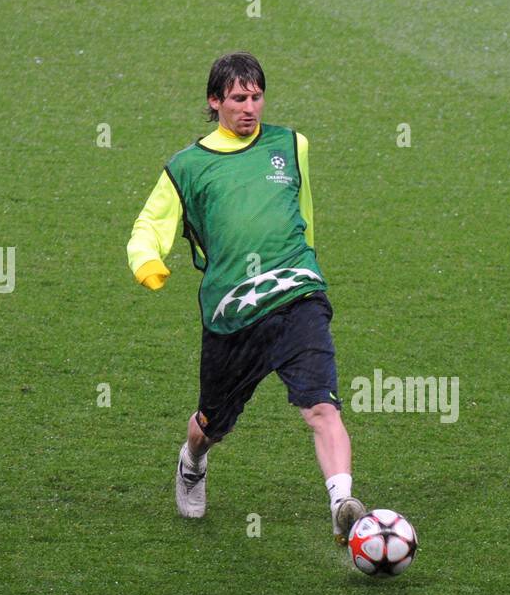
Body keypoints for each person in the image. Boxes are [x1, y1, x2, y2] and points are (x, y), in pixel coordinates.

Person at [125, 52, 365, 541]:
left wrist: (307, 265)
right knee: (212, 424)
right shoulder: (187, 167)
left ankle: (343, 503)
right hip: (232, 314)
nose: (249, 107)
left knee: (322, 407)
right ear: (215, 102)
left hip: (297, 295)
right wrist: (147, 260)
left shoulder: (290, 145)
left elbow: (304, 215)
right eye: (238, 98)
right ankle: (192, 461)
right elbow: (149, 225)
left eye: (256, 97)